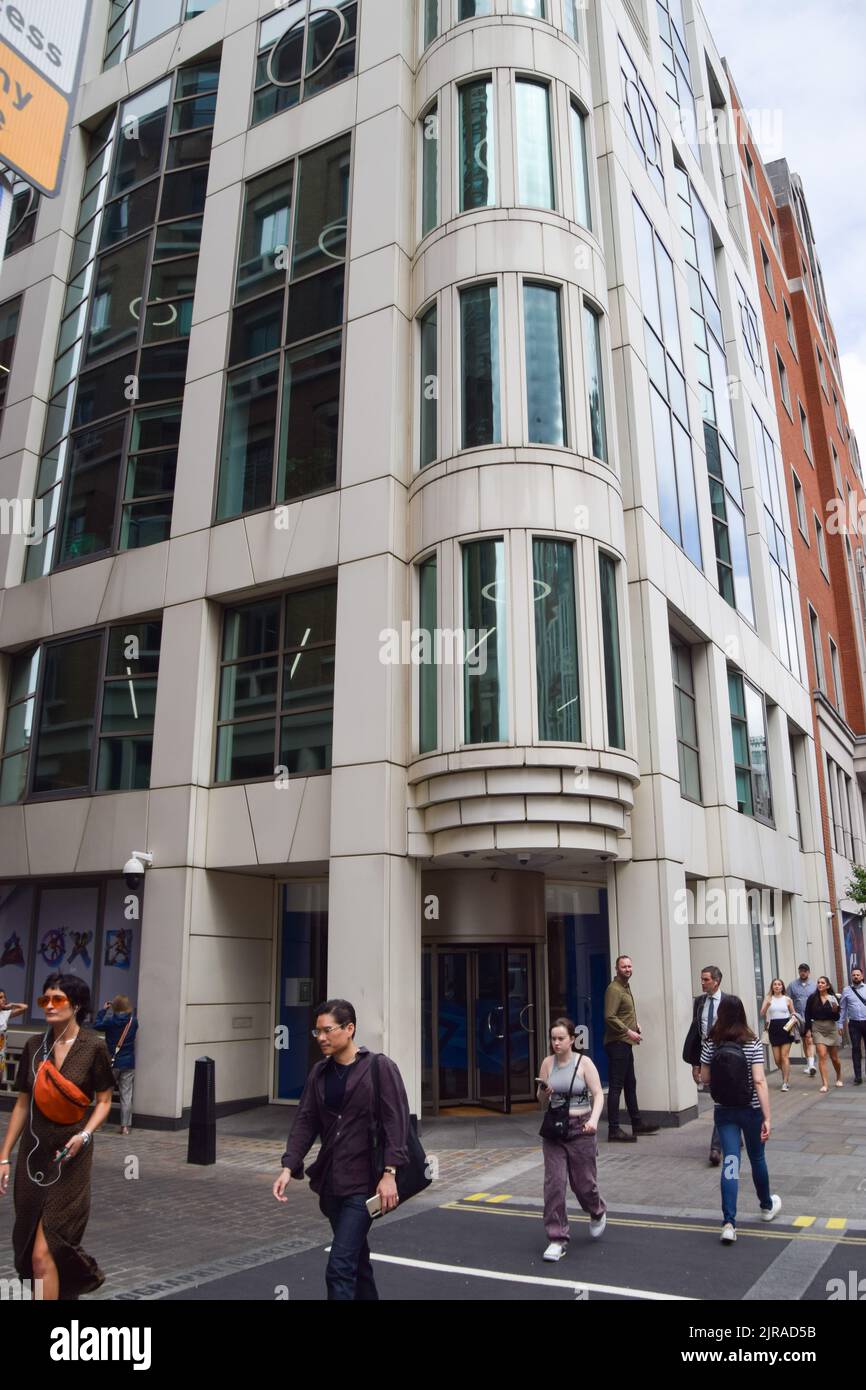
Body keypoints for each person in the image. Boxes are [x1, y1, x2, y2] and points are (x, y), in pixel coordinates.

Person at [273, 999, 410, 1301]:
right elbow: (305, 1121)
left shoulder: (379, 1067)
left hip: (364, 1186)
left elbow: (396, 1121)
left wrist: (390, 1173)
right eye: (317, 1032)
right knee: (357, 1263)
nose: (321, 1038)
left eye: (327, 1030)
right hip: (332, 1184)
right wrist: (288, 1166)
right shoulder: (319, 1073)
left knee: (339, 1266)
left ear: (349, 1029)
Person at [0, 974, 114, 1299]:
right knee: (29, 1247)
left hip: (71, 1159)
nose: (49, 1005)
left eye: (57, 999)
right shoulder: (35, 1047)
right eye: (44, 1000)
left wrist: (86, 1136)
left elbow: (104, 1101)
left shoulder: (94, 1046)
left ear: (76, 1005)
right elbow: (23, 1103)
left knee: (45, 1249)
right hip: (32, 1157)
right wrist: (4, 1155)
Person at [700, 995, 781, 1243]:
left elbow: (704, 1079)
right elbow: (759, 1081)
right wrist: (767, 1117)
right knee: (757, 1158)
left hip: (724, 1110)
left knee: (731, 1162)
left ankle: (728, 1223)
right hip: (751, 1110)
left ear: (720, 1015)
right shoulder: (752, 1042)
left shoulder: (711, 1043)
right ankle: (766, 1206)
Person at [537, 1018, 607, 1261]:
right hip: (555, 1131)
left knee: (584, 1184)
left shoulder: (584, 1063)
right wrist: (543, 1092)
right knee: (554, 1184)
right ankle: (557, 1238)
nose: (556, 1043)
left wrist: (594, 1121)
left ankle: (597, 1210)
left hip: (581, 1129)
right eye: (553, 1039)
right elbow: (541, 1102)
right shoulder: (547, 1064)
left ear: (571, 1040)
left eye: (560, 1038)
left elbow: (598, 1094)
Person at [603, 955, 659, 1142]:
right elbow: (609, 1016)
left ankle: (637, 1124)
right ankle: (613, 1130)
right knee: (616, 1086)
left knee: (630, 1084)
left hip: (626, 1042)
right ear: (616, 969)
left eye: (629, 966)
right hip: (618, 1043)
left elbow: (623, 1014)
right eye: (623, 966)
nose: (627, 969)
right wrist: (628, 1031)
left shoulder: (625, 987)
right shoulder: (614, 989)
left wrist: (636, 1025)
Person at [686, 966, 729, 1165]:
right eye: (701, 979)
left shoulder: (729, 1002)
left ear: (716, 981)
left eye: (705, 979)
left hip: (726, 1056)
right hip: (707, 1055)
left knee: (721, 1101)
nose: (702, 983)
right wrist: (696, 1063)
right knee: (720, 1098)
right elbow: (697, 1032)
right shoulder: (700, 1002)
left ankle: (716, 1148)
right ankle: (735, 1131)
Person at [93, 996, 138, 1135]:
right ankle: (125, 1127)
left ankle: (99, 1124)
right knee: (126, 1094)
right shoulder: (133, 1021)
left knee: (105, 1094)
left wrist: (103, 1010)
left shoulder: (110, 1021)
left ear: (114, 1007)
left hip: (111, 1062)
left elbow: (96, 1025)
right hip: (128, 1063)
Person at [805, 977, 843, 1092]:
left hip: (831, 1027)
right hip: (817, 1027)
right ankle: (825, 1084)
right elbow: (807, 1014)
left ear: (827, 985)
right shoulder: (812, 998)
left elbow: (837, 1017)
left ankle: (839, 1076)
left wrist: (836, 1010)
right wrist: (808, 1030)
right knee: (822, 1055)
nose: (820, 984)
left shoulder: (833, 998)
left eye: (822, 983)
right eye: (818, 982)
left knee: (834, 1058)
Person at [760, 979, 796, 1090]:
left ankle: (785, 1082)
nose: (777, 986)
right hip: (773, 1028)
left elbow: (793, 1013)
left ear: (782, 987)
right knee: (777, 1059)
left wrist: (792, 1021)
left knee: (784, 1056)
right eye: (775, 984)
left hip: (786, 1028)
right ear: (772, 987)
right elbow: (762, 1013)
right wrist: (767, 1005)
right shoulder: (768, 998)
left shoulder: (787, 999)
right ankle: (786, 1073)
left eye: (779, 984)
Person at [787, 964, 817, 1077]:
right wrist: (791, 1014)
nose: (803, 973)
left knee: (809, 1040)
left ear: (808, 972)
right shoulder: (792, 985)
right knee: (805, 1040)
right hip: (798, 1018)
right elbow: (787, 999)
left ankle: (811, 1065)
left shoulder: (814, 985)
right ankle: (809, 1063)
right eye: (801, 971)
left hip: (811, 1017)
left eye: (805, 971)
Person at [839, 967, 866, 1086]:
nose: (856, 976)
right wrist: (840, 1024)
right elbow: (843, 1008)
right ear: (851, 977)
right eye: (854, 975)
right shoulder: (847, 990)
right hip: (854, 1024)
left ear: (862, 976)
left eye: (858, 975)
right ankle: (858, 1076)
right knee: (855, 1049)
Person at [0, 989, 27, 1083]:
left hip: (1, 1055)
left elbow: (24, 1007)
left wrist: (12, 1005)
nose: (3, 999)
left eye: (4, 997)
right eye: (0, 997)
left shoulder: (5, 1014)